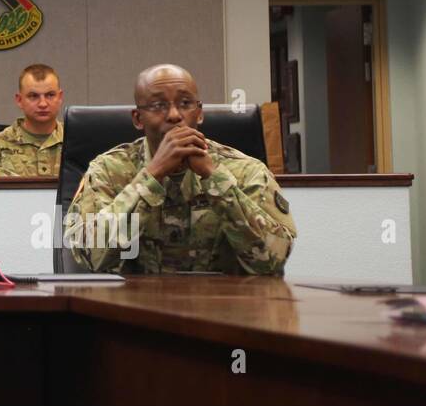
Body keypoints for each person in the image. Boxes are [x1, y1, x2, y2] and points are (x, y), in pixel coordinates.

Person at [67, 63, 296, 274]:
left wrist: (214, 178)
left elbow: (273, 258)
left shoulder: (245, 170)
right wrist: (151, 175)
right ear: (138, 119)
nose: (175, 115)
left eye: (185, 104)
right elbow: (89, 255)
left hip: (225, 310)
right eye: (158, 105)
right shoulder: (108, 170)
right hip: (130, 310)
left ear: (200, 112)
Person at [0, 64, 65, 176]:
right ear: (19, 100)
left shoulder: (77, 141)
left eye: (50, 95)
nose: (43, 104)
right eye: (33, 96)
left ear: (60, 98)